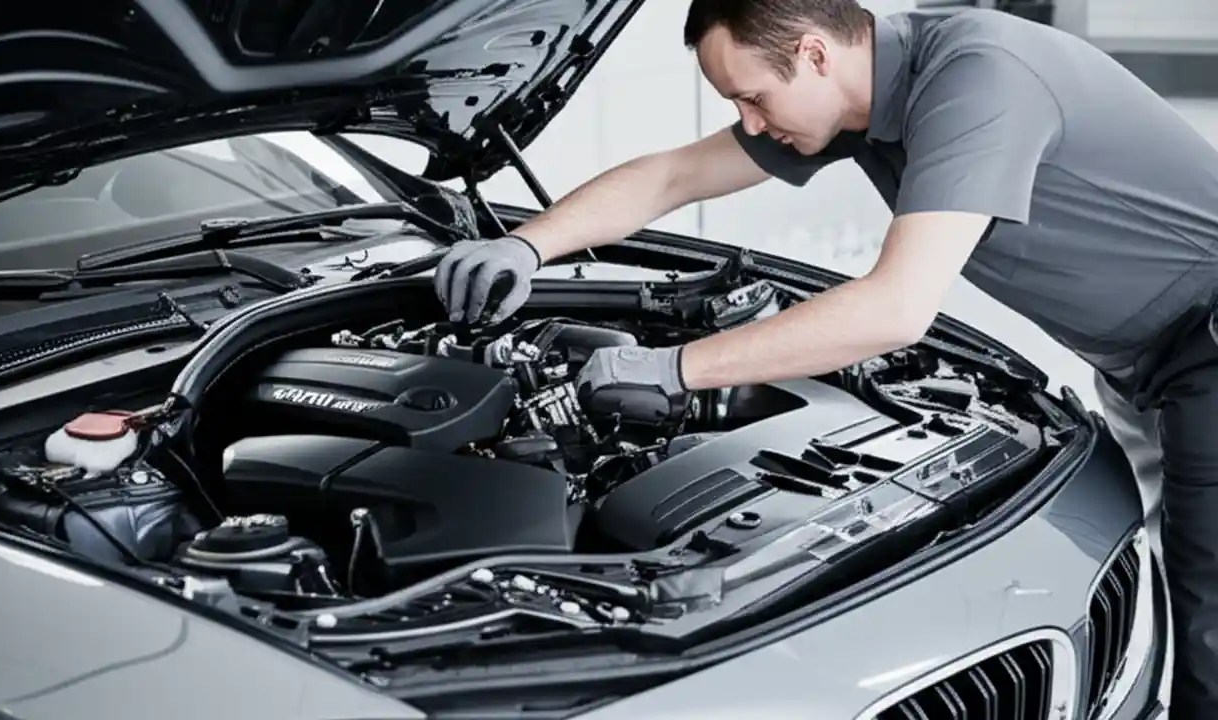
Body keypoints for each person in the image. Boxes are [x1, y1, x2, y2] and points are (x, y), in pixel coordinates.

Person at [432, 1, 1218, 713]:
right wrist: (527, 245)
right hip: (1139, 360)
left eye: (752, 98)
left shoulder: (979, 79)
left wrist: (674, 369)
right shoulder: (863, 99)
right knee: (1173, 595)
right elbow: (673, 174)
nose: (749, 120)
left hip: (1206, 348)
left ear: (813, 55)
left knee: (1209, 617)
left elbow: (896, 308)